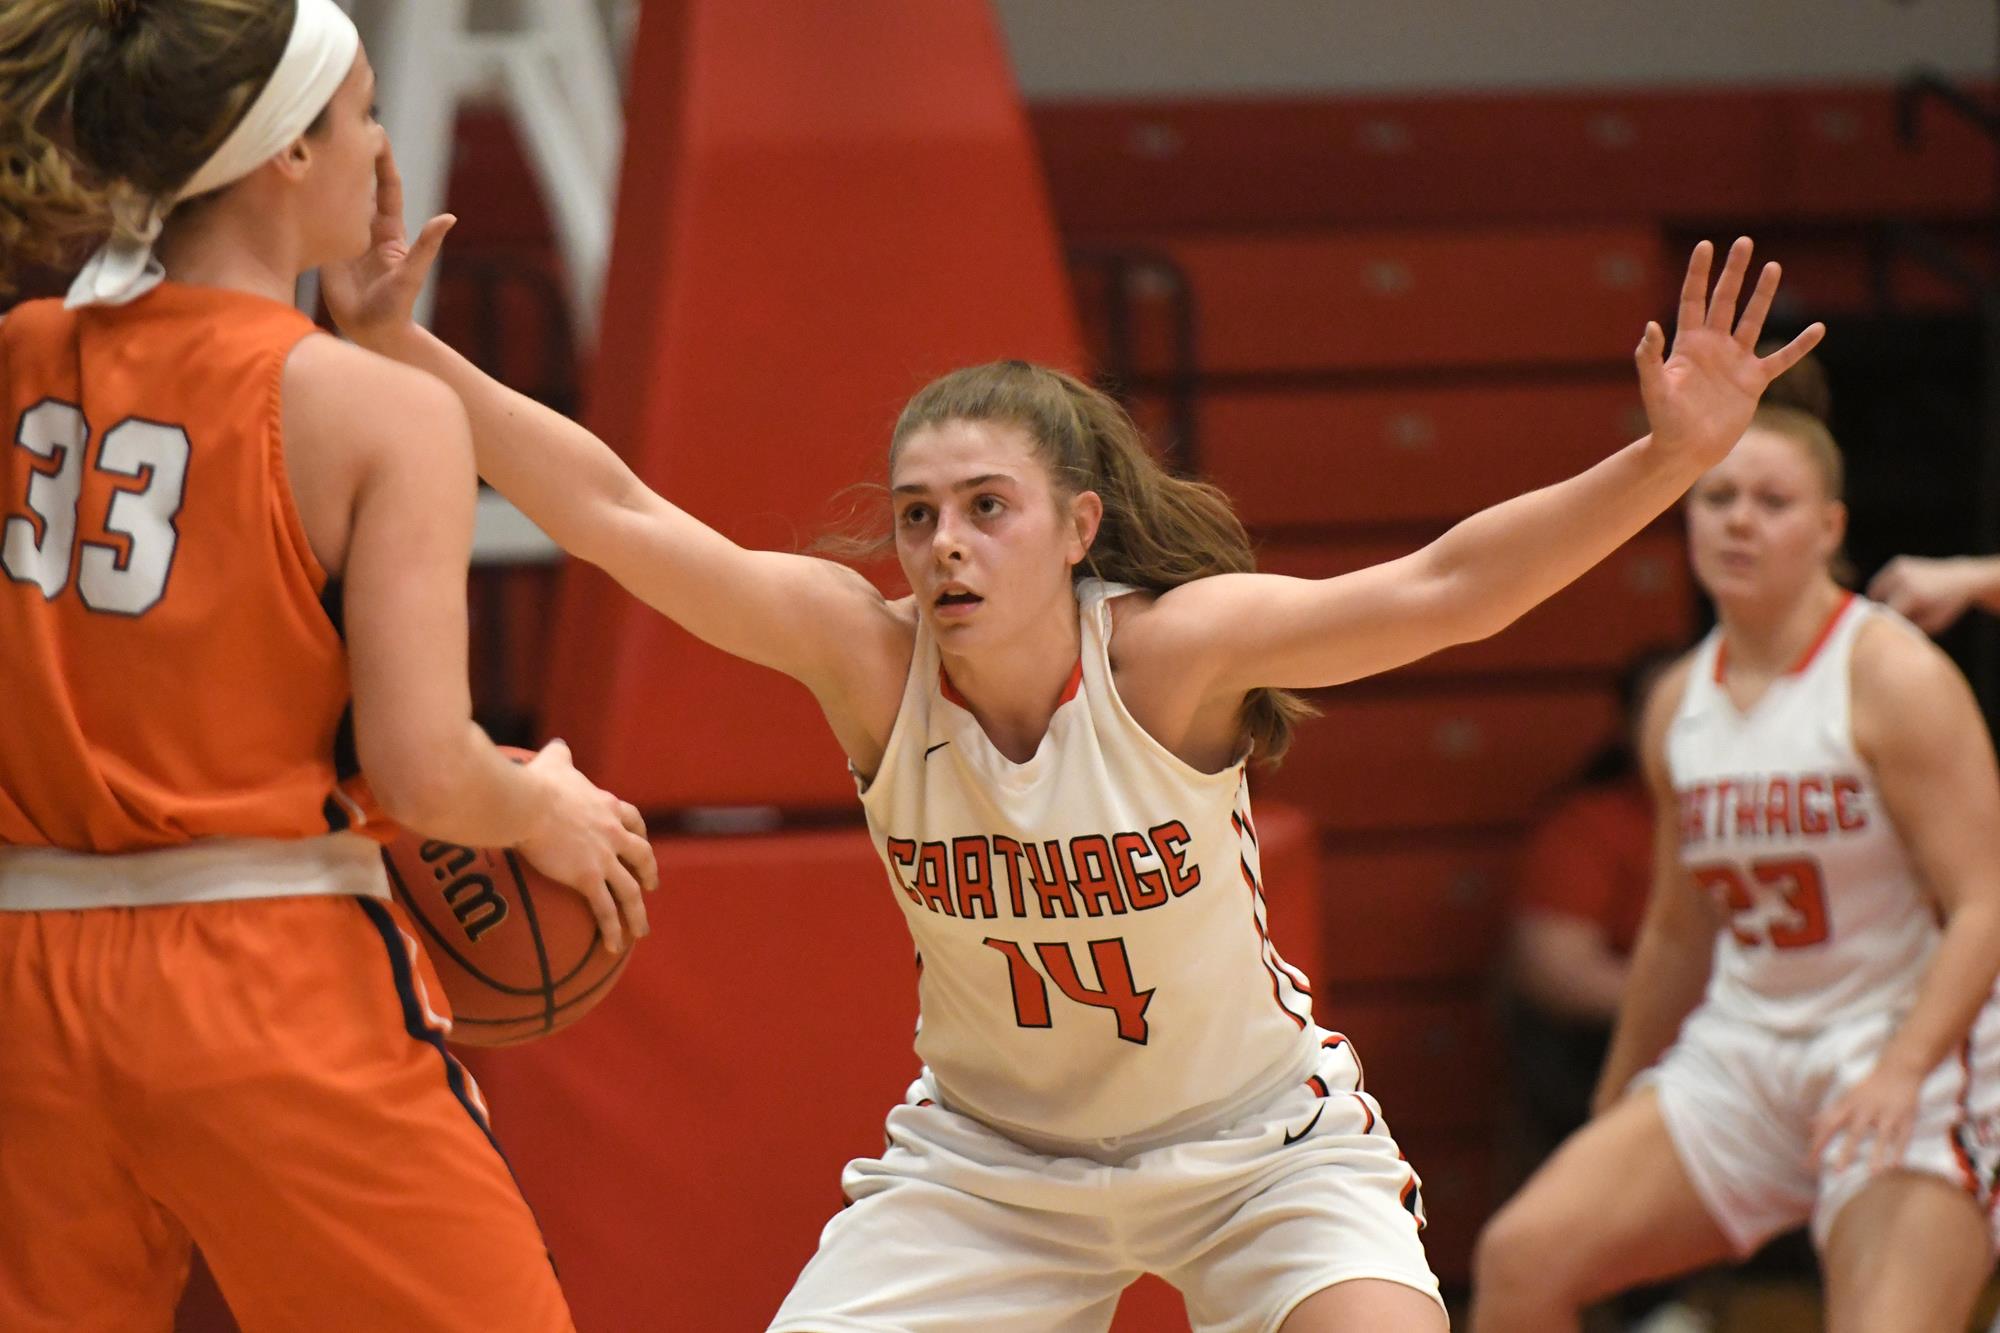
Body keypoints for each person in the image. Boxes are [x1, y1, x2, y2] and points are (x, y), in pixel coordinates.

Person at [327, 142, 1818, 1329]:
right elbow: (618, 513)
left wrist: (1664, 461)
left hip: (1256, 1150)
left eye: (987, 508)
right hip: (991, 1168)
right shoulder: (867, 658)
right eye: (918, 515)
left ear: (1079, 527)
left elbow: (1446, 590)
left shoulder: (1173, 658)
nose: (943, 546)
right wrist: (412, 354)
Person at [0, 3, 655, 1330]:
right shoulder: (375, 412)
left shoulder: (16, 359)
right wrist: (547, 808)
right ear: (285, 157)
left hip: (25, 977)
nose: (379, 148)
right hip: (261, 975)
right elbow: (425, 770)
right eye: (360, 115)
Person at [1471, 404, 2000, 1333]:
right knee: (1521, 1259)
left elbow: (1987, 902)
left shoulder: (1893, 675)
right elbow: (1678, 929)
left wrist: (1901, 1068)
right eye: (1716, 497)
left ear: (1830, 528)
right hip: (1748, 1048)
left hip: (1900, 1049)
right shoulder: (1677, 700)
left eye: (1771, 499)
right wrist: (1615, 1098)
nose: (1740, 519)